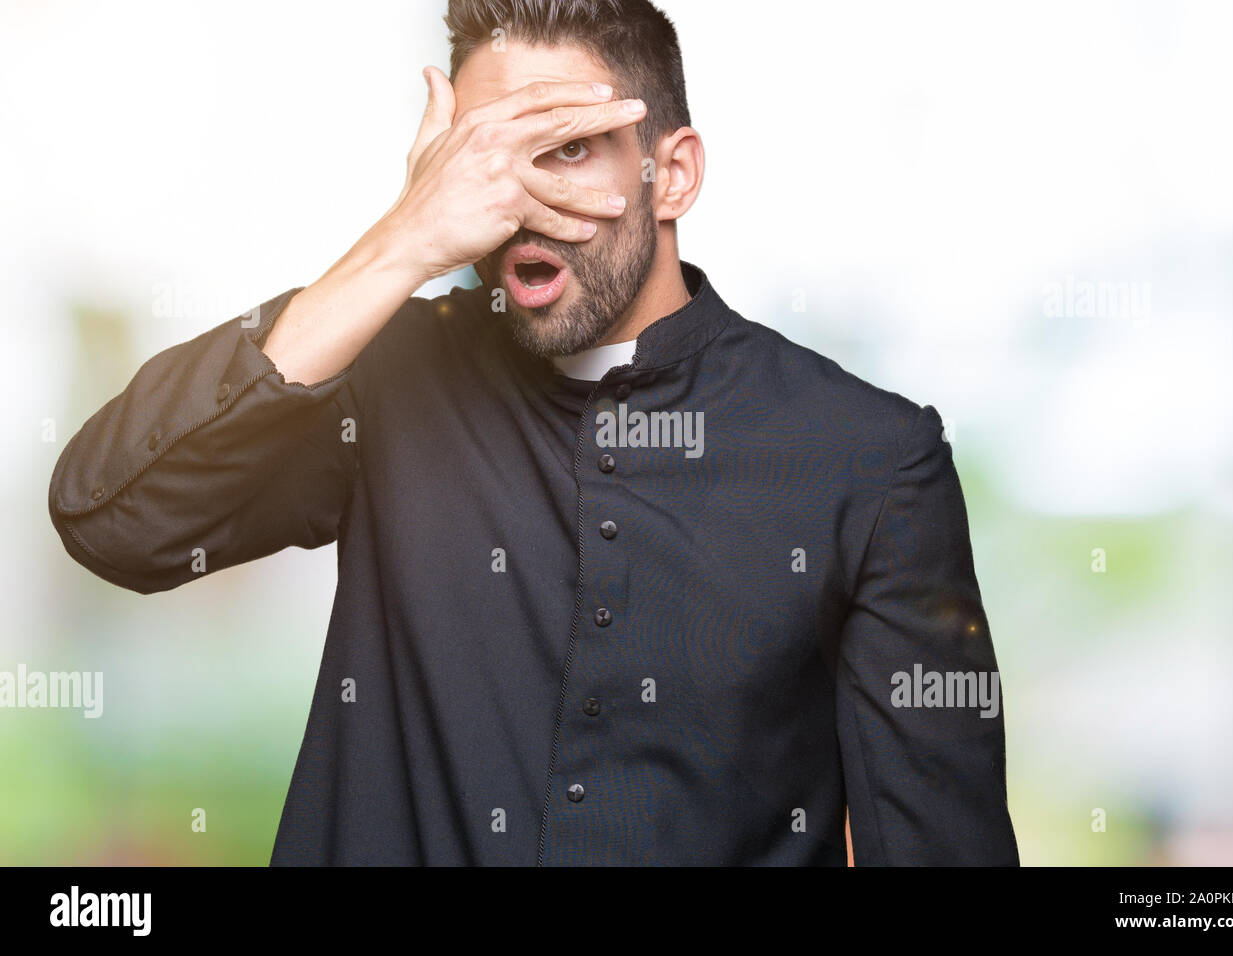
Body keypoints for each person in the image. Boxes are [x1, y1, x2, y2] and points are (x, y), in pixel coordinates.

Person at [48, 0, 1018, 866]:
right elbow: (114, 517)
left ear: (671, 174)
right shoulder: (383, 378)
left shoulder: (868, 460)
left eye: (563, 149)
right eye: (481, 162)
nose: (516, 203)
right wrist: (402, 242)